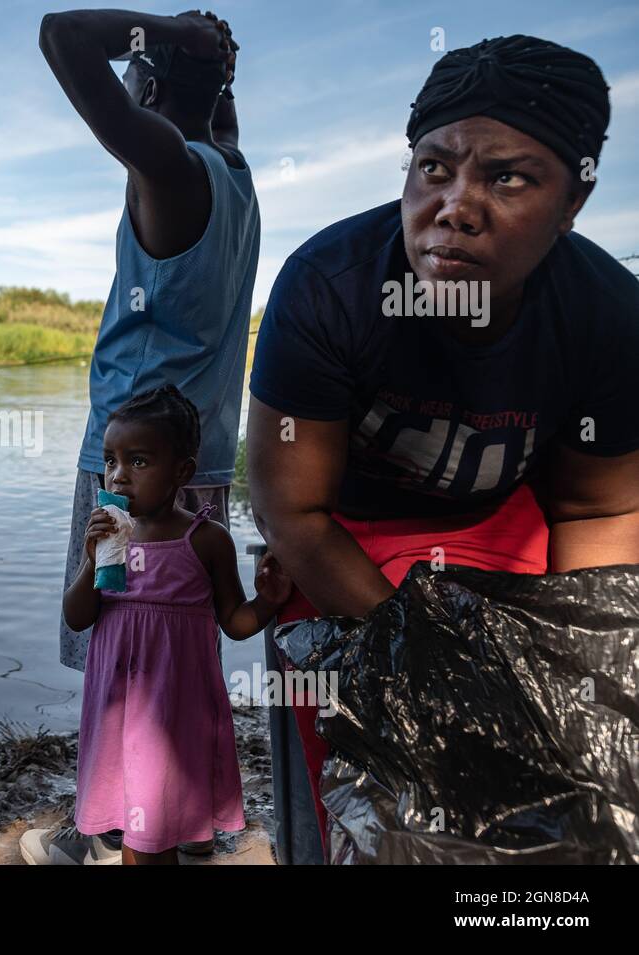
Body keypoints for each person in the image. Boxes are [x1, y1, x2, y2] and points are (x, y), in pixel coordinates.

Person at [247, 35, 639, 860]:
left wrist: (562, 676)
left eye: (509, 176)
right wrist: (422, 656)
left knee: (548, 777)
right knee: (356, 788)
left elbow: (599, 507)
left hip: (505, 529)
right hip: (341, 544)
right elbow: (292, 509)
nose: (456, 204)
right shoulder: (329, 289)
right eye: (434, 167)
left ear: (573, 203)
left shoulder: (606, 315)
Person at [30, 6, 260, 864]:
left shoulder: (168, 169)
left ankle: (118, 829)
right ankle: (179, 819)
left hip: (132, 472)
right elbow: (215, 110)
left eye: (136, 80)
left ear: (149, 87)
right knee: (178, 661)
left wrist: (170, 29)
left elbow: (60, 33)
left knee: (117, 655)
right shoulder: (233, 174)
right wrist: (214, 57)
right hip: (199, 473)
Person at [47, 386, 290, 865]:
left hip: (174, 714)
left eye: (138, 462)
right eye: (111, 460)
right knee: (138, 826)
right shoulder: (108, 536)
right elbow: (78, 618)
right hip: (119, 710)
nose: (118, 476)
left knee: (154, 830)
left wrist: (268, 601)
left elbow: (236, 623)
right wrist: (91, 562)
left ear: (183, 471)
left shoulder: (206, 540)